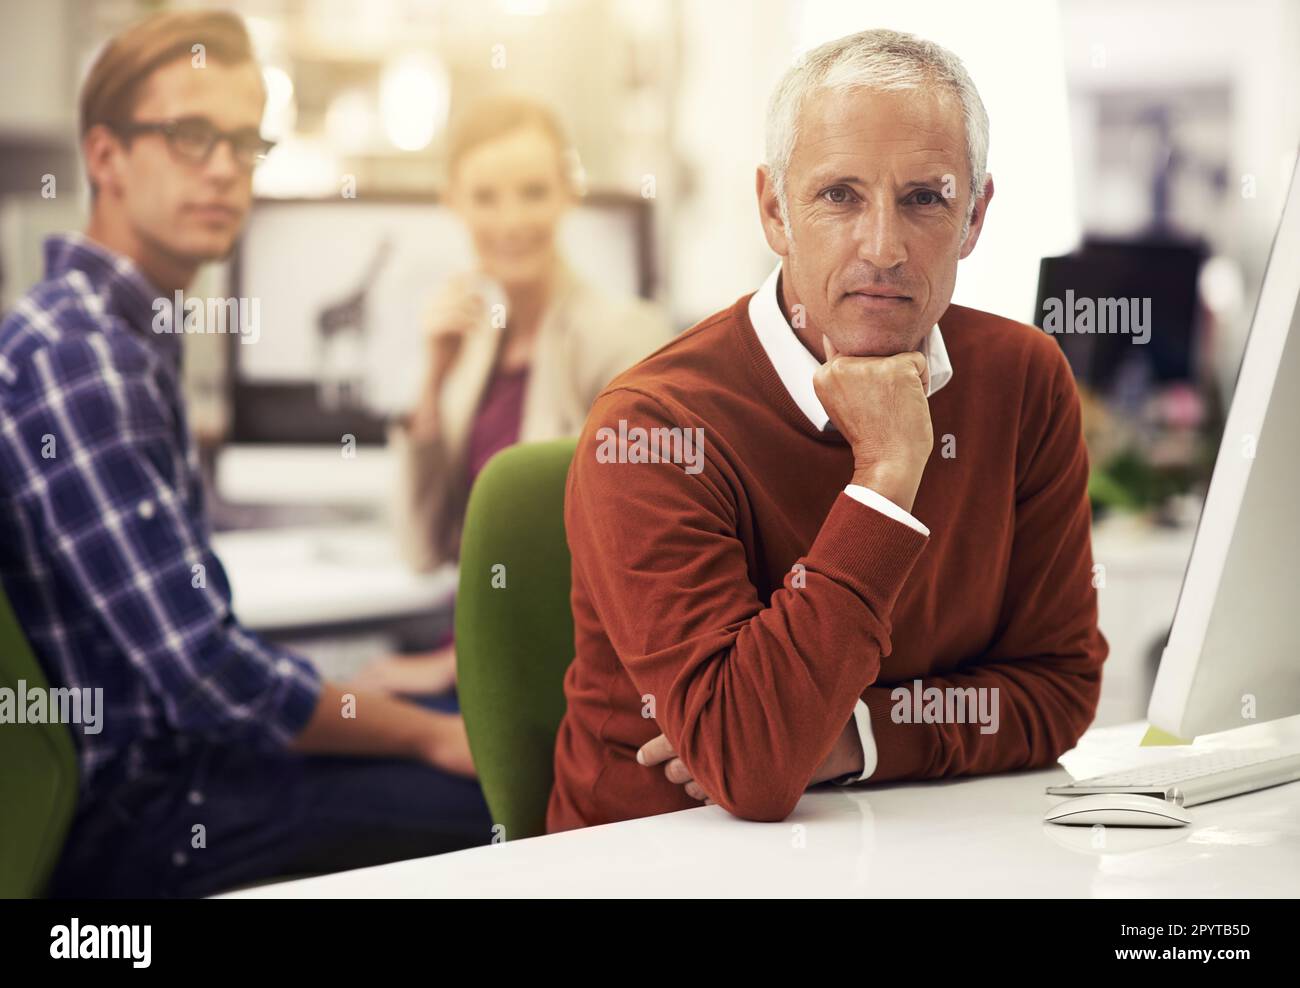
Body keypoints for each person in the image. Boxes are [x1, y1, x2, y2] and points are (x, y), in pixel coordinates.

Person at [546, 28, 1108, 831]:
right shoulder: (651, 425)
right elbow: (752, 763)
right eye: (839, 195)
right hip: (654, 864)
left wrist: (852, 734)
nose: (882, 247)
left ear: (975, 217)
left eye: (924, 199)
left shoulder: (1023, 378)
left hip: (909, 850)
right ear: (775, 209)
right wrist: (885, 473)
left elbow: (1057, 690)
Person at [0, 10, 491, 898]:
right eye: (192, 136)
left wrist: (389, 703)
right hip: (145, 820)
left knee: (470, 717)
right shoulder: (81, 356)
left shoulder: (112, 331)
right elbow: (203, 675)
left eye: (243, 141)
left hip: (186, 773)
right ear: (104, 157)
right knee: (505, 789)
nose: (226, 168)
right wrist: (418, 732)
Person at [352, 95, 672, 696]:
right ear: (453, 202)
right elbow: (421, 549)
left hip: (554, 674)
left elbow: (626, 562)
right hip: (478, 652)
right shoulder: (475, 348)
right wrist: (431, 379)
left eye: (532, 191)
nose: (511, 220)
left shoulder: (623, 336)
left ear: (567, 193)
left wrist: (448, 667)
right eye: (485, 197)